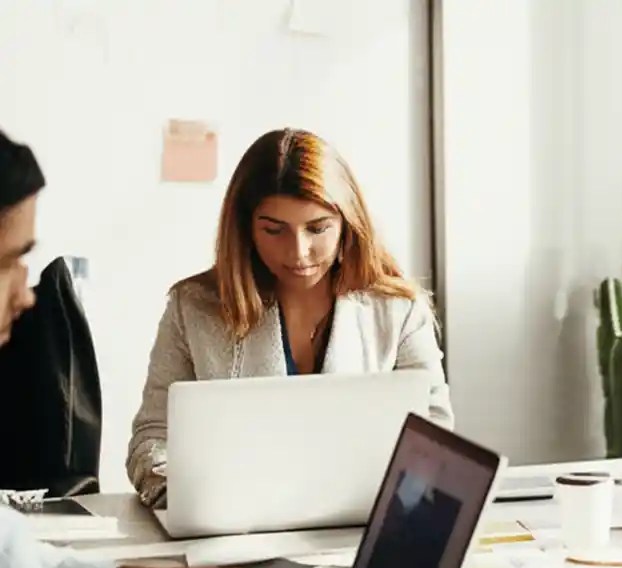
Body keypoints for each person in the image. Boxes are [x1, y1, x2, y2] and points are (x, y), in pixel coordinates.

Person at [0, 128, 311, 568]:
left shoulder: (393, 304)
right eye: (13, 261)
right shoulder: (194, 303)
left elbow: (11, 560)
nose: (27, 295)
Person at [128, 128, 454, 506]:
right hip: (233, 527)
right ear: (246, 229)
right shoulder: (192, 308)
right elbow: (153, 437)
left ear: (347, 222)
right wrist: (183, 502)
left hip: (356, 522)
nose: (298, 252)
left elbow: (436, 437)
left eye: (317, 228)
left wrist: (403, 506)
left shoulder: (398, 310)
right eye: (274, 230)